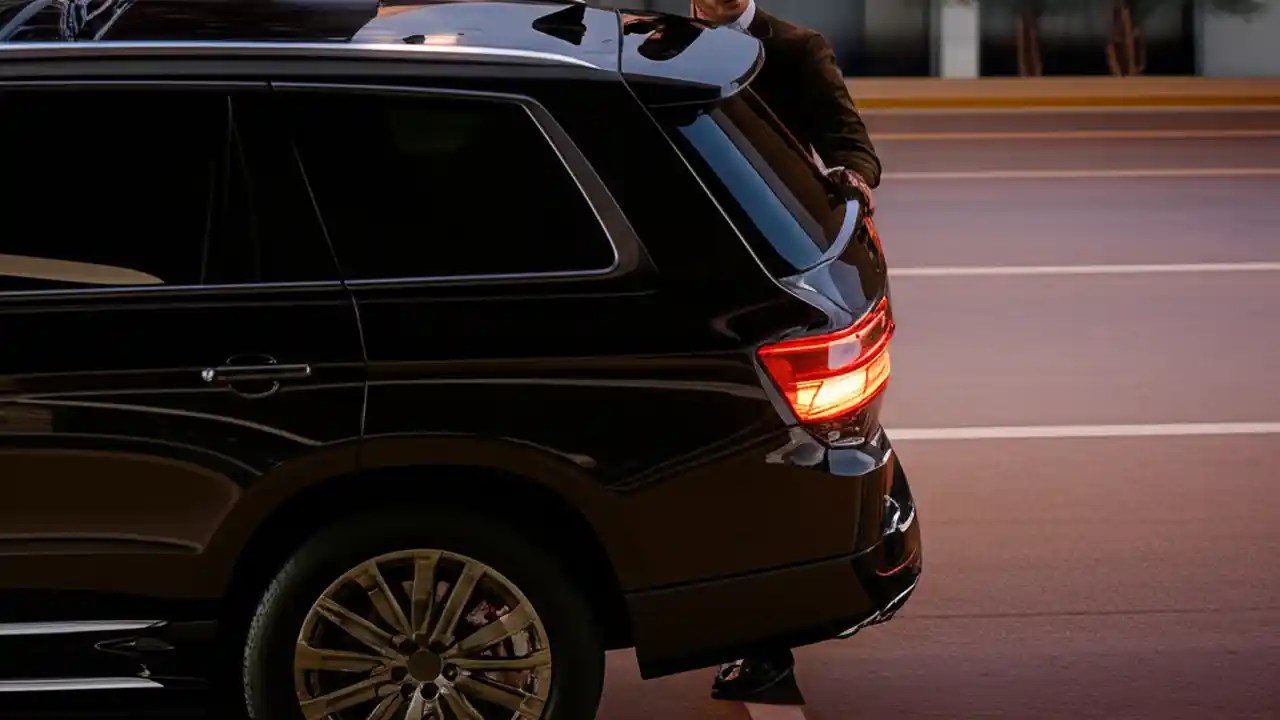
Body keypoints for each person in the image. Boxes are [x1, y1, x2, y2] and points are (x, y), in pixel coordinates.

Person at [687, 0, 883, 703]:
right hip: (674, 280)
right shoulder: (656, 41)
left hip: (763, 287)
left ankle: (763, 648)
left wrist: (853, 182)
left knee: (757, 469)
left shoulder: (797, 49)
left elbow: (851, 143)